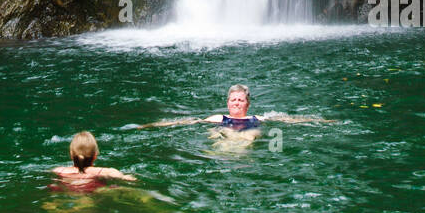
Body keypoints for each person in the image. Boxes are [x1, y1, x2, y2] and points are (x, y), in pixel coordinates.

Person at [139, 83, 335, 131]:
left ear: (247, 104)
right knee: (220, 136)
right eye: (233, 100)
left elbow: (287, 119)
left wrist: (320, 121)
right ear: (227, 103)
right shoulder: (218, 118)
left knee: (247, 137)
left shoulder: (258, 118)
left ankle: (236, 159)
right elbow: (186, 122)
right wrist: (153, 125)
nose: (236, 103)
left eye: (240, 100)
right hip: (223, 131)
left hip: (247, 132)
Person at [51, 131, 136, 190]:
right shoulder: (106, 172)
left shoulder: (59, 170)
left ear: (71, 155)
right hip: (91, 192)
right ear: (95, 155)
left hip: (67, 191)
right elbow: (130, 180)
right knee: (113, 188)